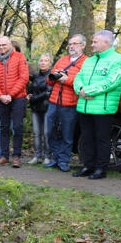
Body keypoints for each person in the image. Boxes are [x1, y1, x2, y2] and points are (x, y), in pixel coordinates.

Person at [72, 30, 121, 179]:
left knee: (102, 139)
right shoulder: (88, 61)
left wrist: (88, 91)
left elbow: (112, 81)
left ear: (106, 42)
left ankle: (100, 169)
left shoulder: (119, 60)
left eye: (95, 42)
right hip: (84, 106)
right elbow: (78, 78)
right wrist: (80, 90)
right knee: (87, 138)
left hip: (103, 109)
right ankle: (88, 166)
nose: (92, 45)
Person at [44, 35, 87, 172]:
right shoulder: (62, 60)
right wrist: (54, 76)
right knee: (51, 132)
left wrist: (66, 80)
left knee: (67, 134)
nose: (71, 46)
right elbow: (49, 80)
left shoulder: (86, 62)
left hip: (70, 104)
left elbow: (83, 82)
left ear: (83, 45)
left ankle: (64, 160)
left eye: (75, 44)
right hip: (54, 102)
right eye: (70, 44)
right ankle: (55, 158)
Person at [0, 36, 29, 167]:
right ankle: (4, 156)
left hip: (18, 98)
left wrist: (10, 95)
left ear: (10, 45)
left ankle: (16, 156)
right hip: (2, 99)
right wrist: (1, 96)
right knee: (3, 128)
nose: (1, 47)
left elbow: (24, 78)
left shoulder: (20, 57)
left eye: (4, 45)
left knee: (17, 127)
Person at [27, 53, 53, 164]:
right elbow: (32, 89)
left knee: (47, 133)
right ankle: (37, 156)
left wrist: (33, 98)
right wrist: (28, 94)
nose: (43, 63)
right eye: (41, 60)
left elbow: (48, 92)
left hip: (47, 107)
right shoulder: (36, 75)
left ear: (50, 63)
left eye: (46, 60)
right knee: (36, 133)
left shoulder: (51, 75)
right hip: (35, 108)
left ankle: (47, 156)